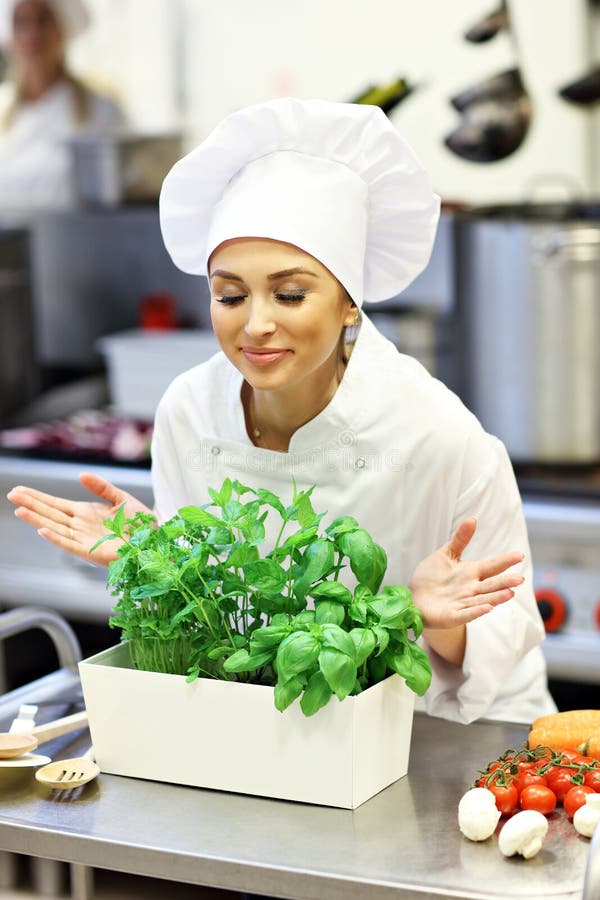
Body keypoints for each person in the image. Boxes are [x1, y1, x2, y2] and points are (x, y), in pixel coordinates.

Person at [7, 96, 556, 724]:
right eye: (230, 295)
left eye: (290, 293)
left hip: (457, 739)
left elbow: (506, 637)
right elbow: (227, 627)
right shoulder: (190, 412)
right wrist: (156, 556)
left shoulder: (436, 433)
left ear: (350, 302)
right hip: (283, 733)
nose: (257, 325)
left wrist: (436, 622)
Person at [0, 0, 123, 210]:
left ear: (62, 29)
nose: (32, 34)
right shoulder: (4, 108)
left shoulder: (99, 111)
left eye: (43, 20)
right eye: (21, 22)